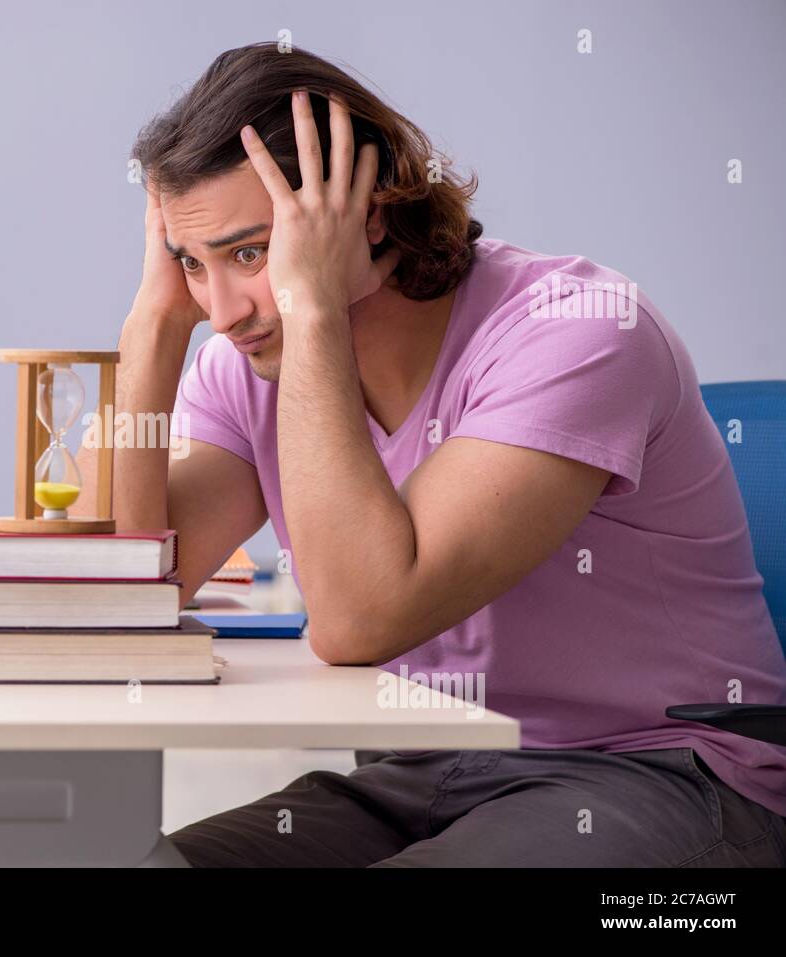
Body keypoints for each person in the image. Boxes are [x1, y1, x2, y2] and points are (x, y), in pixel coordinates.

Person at [75, 42, 786, 866]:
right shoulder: (247, 360)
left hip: (654, 777)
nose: (224, 310)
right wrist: (152, 330)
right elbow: (126, 599)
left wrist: (310, 312)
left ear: (368, 215)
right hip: (420, 775)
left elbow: (356, 620)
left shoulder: (580, 330)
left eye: (250, 252)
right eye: (192, 265)